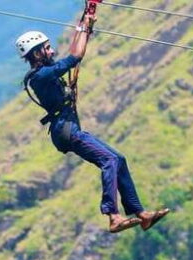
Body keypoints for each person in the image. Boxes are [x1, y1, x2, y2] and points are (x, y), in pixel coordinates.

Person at [15, 14, 168, 233]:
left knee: (119, 159)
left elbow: (72, 52)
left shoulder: (46, 72)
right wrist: (85, 27)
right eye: (47, 48)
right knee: (109, 160)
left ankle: (141, 214)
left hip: (68, 128)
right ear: (37, 53)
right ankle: (113, 216)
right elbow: (75, 56)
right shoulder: (41, 76)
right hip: (66, 130)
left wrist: (85, 23)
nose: (51, 51)